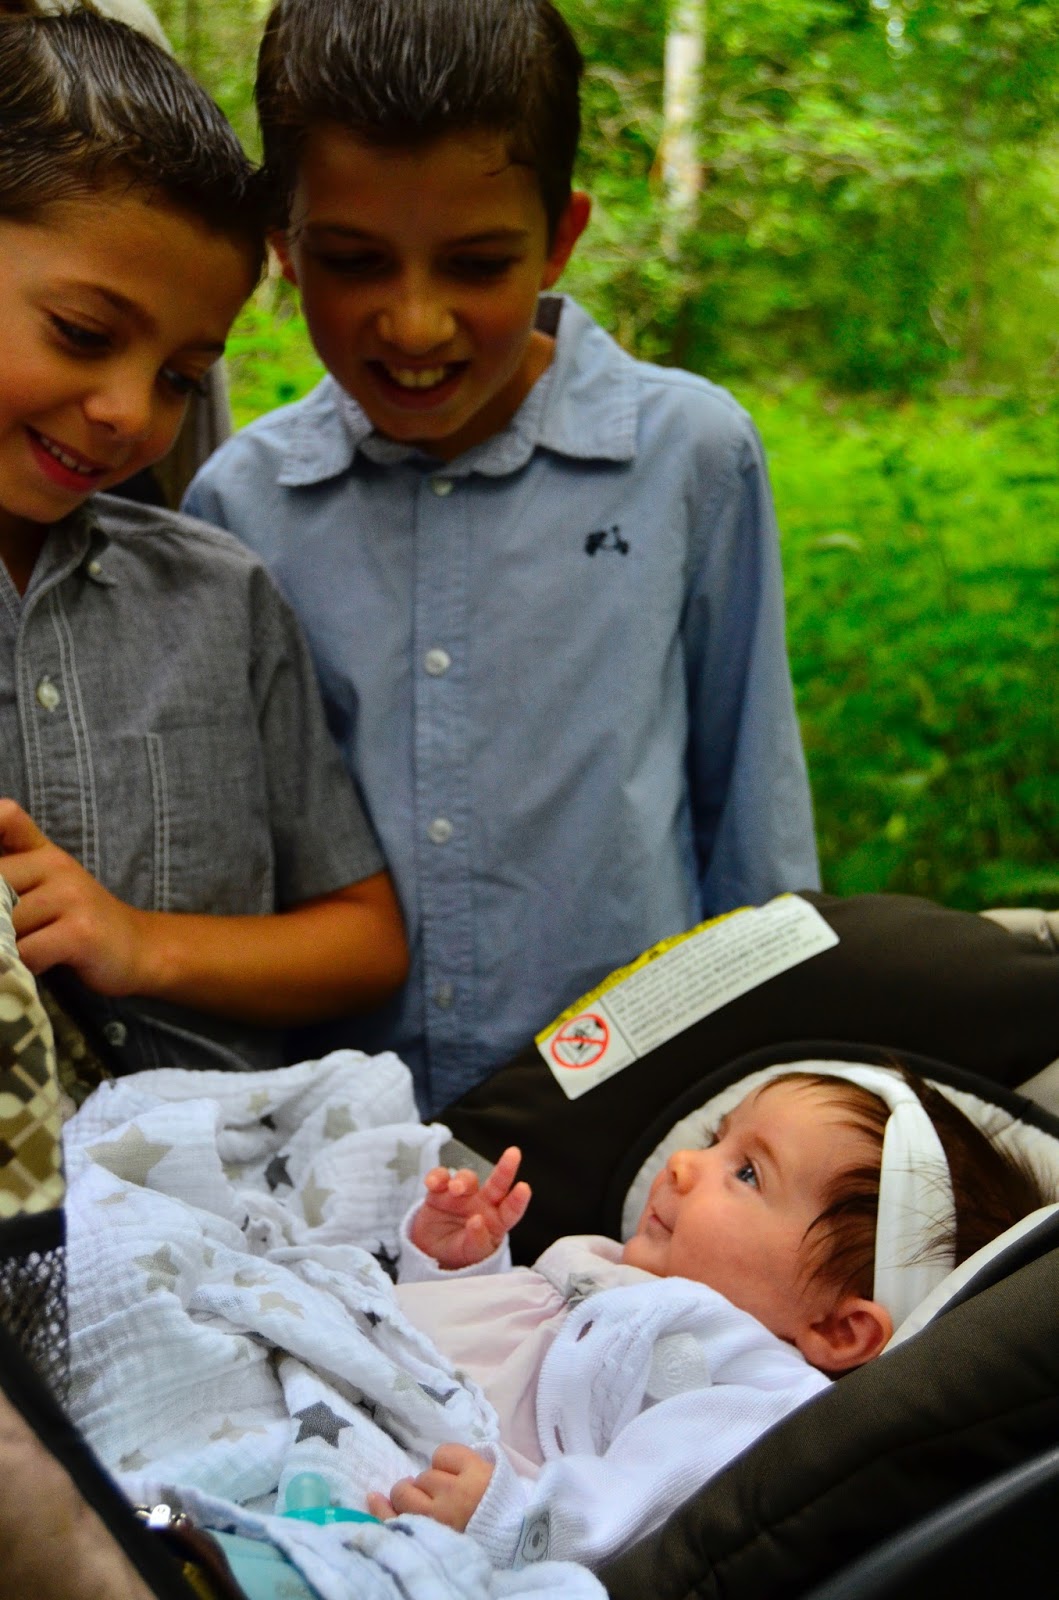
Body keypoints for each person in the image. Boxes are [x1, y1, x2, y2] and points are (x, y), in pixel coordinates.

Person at [182, 0, 821, 1115]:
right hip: (345, 1155)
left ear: (561, 237)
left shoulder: (688, 457)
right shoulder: (242, 502)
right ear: (284, 248)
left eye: (476, 264)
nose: (416, 324)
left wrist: (778, 1093)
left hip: (638, 1137)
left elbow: (754, 832)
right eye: (355, 262)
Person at [0, 8, 409, 1076]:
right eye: (84, 335)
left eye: (183, 374)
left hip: (235, 1211)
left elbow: (365, 938)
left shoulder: (219, 598)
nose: (130, 413)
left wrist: (137, 942)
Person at [365, 1066, 1048, 1569]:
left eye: (746, 1173)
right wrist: (456, 1266)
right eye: (718, 1141)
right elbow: (490, 1344)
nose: (685, 1164)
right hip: (381, 1368)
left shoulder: (748, 1388)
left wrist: (514, 1522)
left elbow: (638, 1502)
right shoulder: (617, 1267)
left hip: (426, 1467)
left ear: (838, 1329)